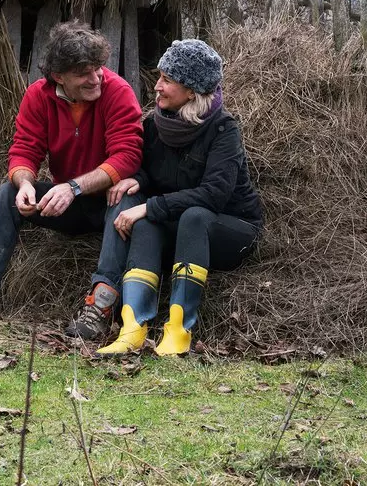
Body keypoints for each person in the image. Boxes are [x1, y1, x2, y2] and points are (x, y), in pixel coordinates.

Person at [0, 20, 144, 341]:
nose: (96, 77)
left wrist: (73, 187)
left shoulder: (118, 92)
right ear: (59, 76)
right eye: (84, 73)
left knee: (122, 196)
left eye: (98, 68)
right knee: (7, 192)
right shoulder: (38, 96)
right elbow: (24, 148)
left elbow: (127, 158)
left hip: (106, 204)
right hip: (66, 205)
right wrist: (25, 182)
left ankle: (101, 304)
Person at [97, 39, 264, 356]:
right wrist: (136, 180)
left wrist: (150, 205)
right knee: (146, 225)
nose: (157, 87)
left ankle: (178, 332)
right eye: (160, 77)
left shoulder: (224, 130)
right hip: (182, 226)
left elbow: (213, 195)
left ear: (191, 90)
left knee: (193, 216)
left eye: (167, 80)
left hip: (231, 229)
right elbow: (156, 172)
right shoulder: (155, 125)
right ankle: (133, 329)